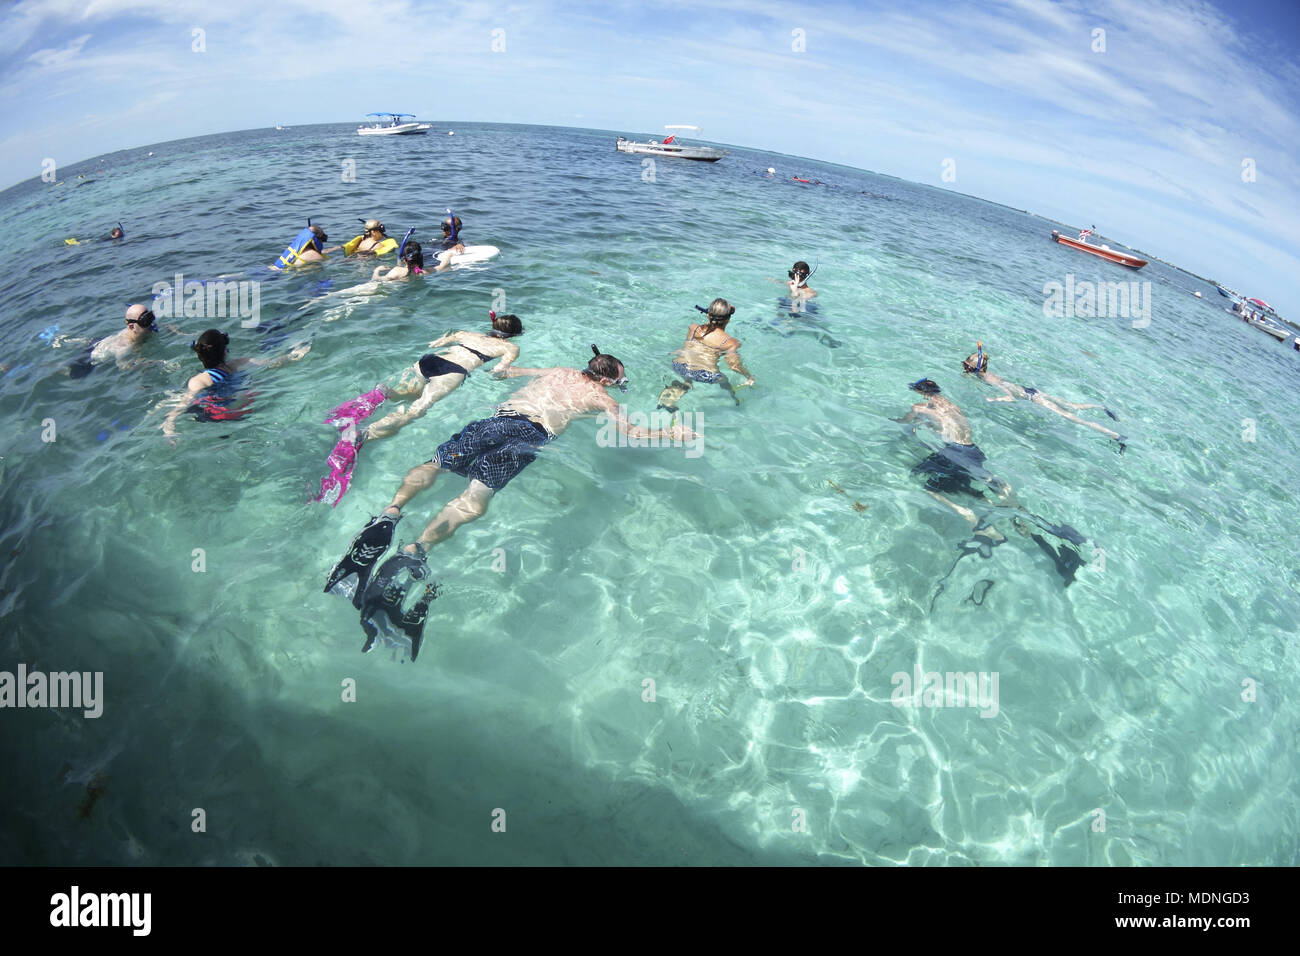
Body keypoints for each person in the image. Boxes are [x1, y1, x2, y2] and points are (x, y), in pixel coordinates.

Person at [324, 344, 698, 661]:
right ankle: (415, 549)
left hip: (497, 420)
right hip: (528, 437)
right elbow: (629, 432)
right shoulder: (602, 397)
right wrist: (672, 434)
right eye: (619, 381)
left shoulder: (561, 371)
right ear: (606, 380)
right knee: (474, 500)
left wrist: (502, 368)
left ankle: (390, 513)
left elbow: (510, 371)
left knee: (436, 464)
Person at [312, 312, 526, 507]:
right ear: (514, 334)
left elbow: (438, 342)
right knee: (416, 411)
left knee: (409, 392)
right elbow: (498, 370)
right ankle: (362, 435)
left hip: (429, 360)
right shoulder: (511, 347)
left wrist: (444, 342)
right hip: (454, 370)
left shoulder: (467, 333)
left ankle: (380, 395)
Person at [901, 377, 1086, 593]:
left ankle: (971, 517)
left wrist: (907, 428)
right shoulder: (953, 406)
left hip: (955, 454)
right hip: (973, 451)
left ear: (922, 393)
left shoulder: (920, 407)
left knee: (926, 486)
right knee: (984, 485)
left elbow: (905, 425)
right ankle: (1022, 516)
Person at [961, 344, 1124, 449]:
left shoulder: (988, 379)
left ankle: (1115, 435)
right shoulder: (986, 374)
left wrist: (994, 399)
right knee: (1073, 406)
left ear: (977, 369)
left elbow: (1010, 397)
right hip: (1032, 391)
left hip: (1034, 398)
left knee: (1072, 417)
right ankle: (1102, 407)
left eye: (968, 367)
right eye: (965, 365)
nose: (965, 369)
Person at [161, 329, 310, 439]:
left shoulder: (198, 380)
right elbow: (273, 363)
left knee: (190, 406)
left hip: (215, 416)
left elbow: (184, 403)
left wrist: (169, 424)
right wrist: (295, 354)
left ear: (200, 355)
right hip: (242, 410)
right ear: (225, 351)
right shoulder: (239, 363)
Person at [656, 298, 754, 412]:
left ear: (708, 315)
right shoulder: (731, 342)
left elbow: (686, 348)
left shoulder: (694, 328)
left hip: (678, 365)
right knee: (724, 379)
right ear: (728, 320)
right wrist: (749, 376)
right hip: (705, 375)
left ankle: (677, 393)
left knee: (689, 372)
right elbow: (733, 365)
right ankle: (734, 398)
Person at [64, 304, 165, 378]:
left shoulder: (143, 330)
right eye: (145, 321)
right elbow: (123, 366)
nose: (151, 323)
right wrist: (149, 363)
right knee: (69, 372)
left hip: (102, 341)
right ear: (132, 327)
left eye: (150, 317)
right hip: (88, 360)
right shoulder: (124, 347)